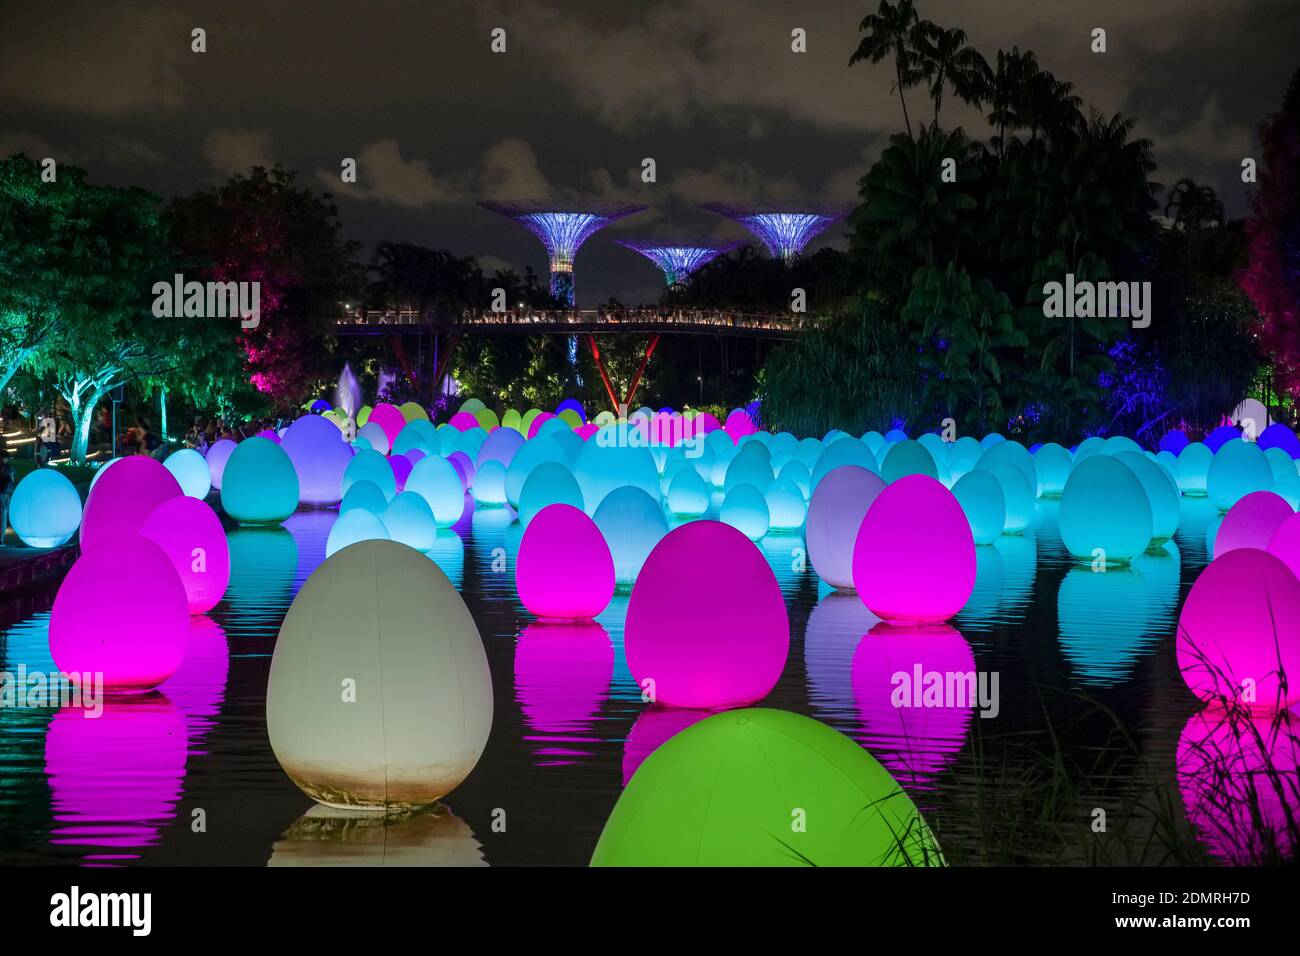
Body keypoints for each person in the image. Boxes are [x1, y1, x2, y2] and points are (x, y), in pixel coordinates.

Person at [0, 448, 15, 545]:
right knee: (3, 517)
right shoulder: (8, 469)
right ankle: (1, 540)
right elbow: (12, 481)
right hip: (4, 494)